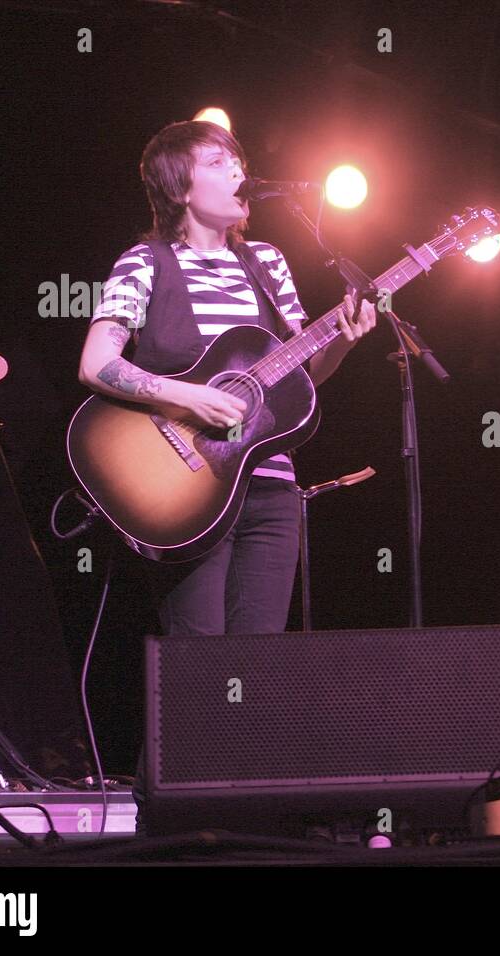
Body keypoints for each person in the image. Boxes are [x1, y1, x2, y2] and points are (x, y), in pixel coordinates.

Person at [76, 120, 376, 830]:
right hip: (185, 485)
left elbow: (301, 376)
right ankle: (168, 827)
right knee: (196, 664)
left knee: (257, 666)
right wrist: (185, 394)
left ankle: (243, 826)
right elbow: (95, 363)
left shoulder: (267, 262)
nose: (241, 172)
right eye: (220, 162)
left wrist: (343, 338)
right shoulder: (144, 262)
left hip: (270, 485)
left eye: (240, 160)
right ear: (181, 185)